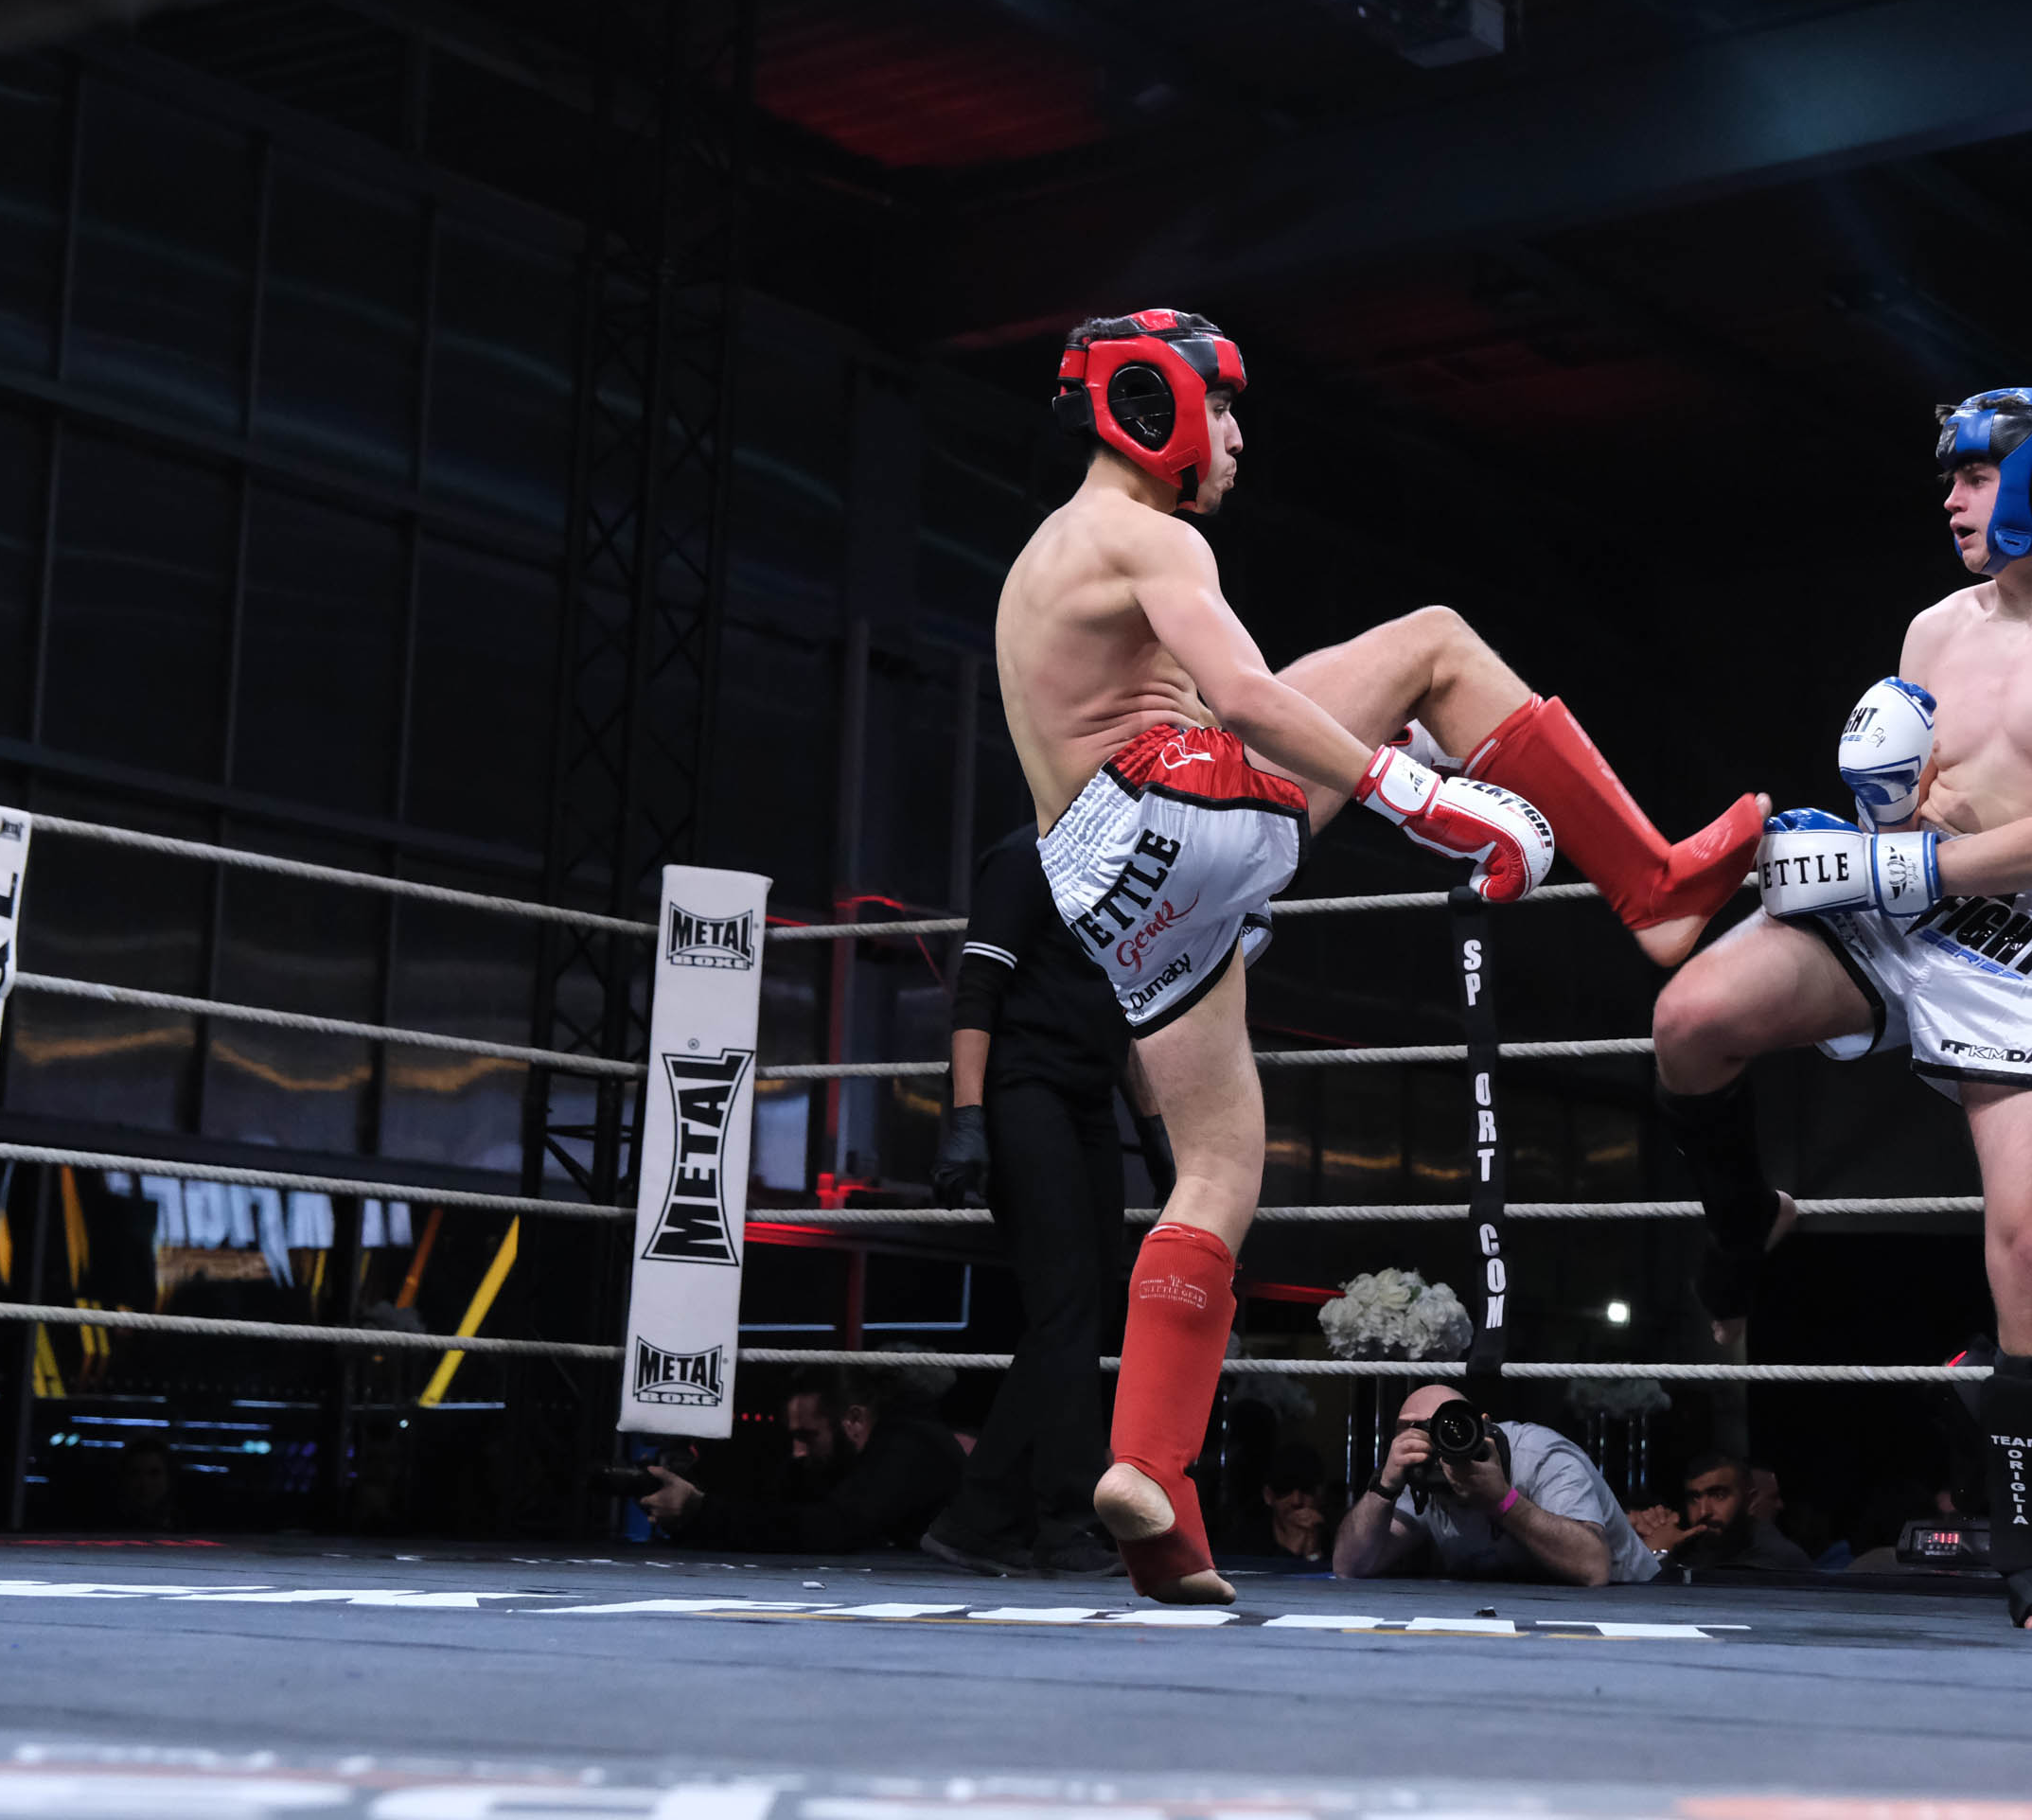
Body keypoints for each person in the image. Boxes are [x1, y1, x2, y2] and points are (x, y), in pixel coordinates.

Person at [997, 309, 1762, 1601]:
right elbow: (1246, 699)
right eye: (1220, 407)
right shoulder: (1148, 533)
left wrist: (1379, 763)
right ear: (1152, 405)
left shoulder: (1041, 557)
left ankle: (1152, 1480)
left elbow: (1220, 717)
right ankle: (1652, 888)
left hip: (1101, 883)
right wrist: (1422, 799)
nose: (1236, 438)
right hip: (1169, 810)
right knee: (1435, 642)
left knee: (1218, 1169)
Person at [1649, 388, 2032, 1634]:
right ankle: (1746, 1216)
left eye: (1975, 476)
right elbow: (1909, 798)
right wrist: (1864, 834)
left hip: (2030, 942)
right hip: (1905, 908)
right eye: (1950, 477)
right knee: (1690, 1018)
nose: (1950, 500)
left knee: (2030, 1252)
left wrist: (1890, 865)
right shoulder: (1935, 626)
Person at [921, 820, 1169, 1578]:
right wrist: (968, 1118)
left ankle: (976, 1519)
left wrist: (1157, 1136)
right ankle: (1067, 1520)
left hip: (1088, 1098)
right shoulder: (1024, 857)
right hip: (1020, 1087)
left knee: (1082, 1307)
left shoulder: (1130, 867)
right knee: (1064, 1306)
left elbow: (1126, 1015)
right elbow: (977, 993)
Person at [1331, 1384, 1659, 1587]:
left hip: (1630, 1598)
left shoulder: (1541, 1457)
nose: (1441, 1447)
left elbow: (1593, 1569)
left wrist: (1501, 1500)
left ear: (1482, 1425)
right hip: (1517, 1603)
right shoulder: (1421, 1474)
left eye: (1451, 1429)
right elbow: (1349, 1566)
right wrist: (1384, 1487)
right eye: (1419, 1434)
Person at [641, 1370, 963, 1554]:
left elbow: (832, 1530)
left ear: (853, 1419)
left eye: (808, 1436)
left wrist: (701, 1509)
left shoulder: (909, 1445)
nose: (798, 1451)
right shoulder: (837, 1459)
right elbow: (778, 1509)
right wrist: (694, 1511)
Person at [1631, 1453, 1813, 1572]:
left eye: (1718, 1496)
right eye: (1694, 1498)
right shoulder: (1690, 1544)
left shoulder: (1776, 1558)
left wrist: (1656, 1554)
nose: (1704, 1511)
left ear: (1750, 1501)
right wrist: (1634, 1537)